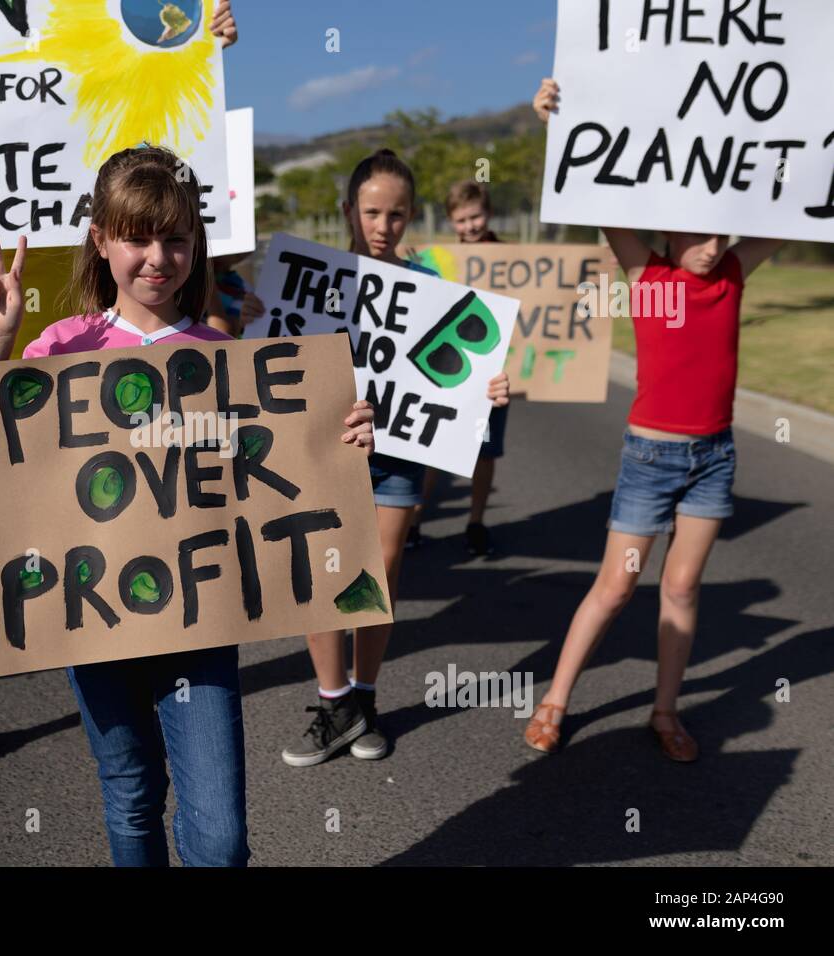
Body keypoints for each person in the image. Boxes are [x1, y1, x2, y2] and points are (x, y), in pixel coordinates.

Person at [0, 141, 376, 866]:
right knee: (130, 796)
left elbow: (276, 464)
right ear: (100, 240)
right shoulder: (60, 347)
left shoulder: (221, 356)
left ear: (198, 244)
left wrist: (339, 437)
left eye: (176, 238)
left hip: (200, 622)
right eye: (136, 237)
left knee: (219, 838)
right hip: (95, 618)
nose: (157, 257)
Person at [0, 0, 241, 794]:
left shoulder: (109, 42)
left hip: (128, 321)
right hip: (16, 326)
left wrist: (206, 46)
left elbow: (173, 155)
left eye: (176, 242)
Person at [524, 78, 784, 761]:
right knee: (615, 585)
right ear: (667, 225)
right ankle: (554, 700)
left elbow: (793, 213)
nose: (714, 238)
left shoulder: (732, 272)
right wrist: (558, 118)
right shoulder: (645, 274)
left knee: (682, 586)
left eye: (721, 225)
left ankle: (664, 712)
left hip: (713, 458)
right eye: (698, 226)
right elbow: (591, 193)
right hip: (650, 458)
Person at [242, 150, 511, 766]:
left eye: (396, 214)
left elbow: (462, 374)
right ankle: (332, 700)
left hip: (398, 451)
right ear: (349, 212)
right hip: (326, 450)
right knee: (324, 576)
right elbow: (271, 362)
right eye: (371, 212)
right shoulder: (304, 279)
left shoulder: (431, 290)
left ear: (411, 216)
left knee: (378, 579)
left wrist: (489, 388)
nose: (383, 225)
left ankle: (363, 700)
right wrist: (250, 322)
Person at [410, 179, 508, 556]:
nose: (471, 225)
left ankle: (476, 522)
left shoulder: (513, 259)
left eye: (476, 216)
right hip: (447, 375)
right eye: (462, 219)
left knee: (485, 452)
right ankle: (414, 520)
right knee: (436, 449)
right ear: (451, 221)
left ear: (490, 214)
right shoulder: (437, 261)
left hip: (493, 379)